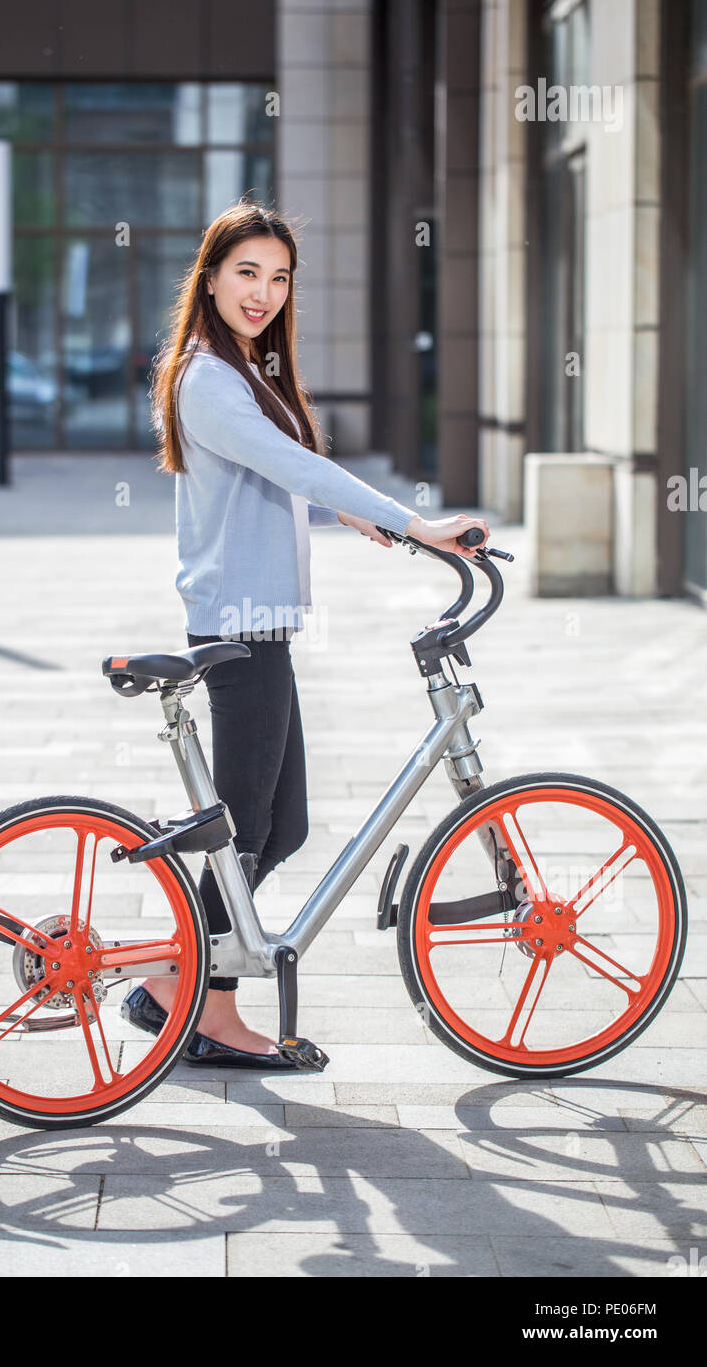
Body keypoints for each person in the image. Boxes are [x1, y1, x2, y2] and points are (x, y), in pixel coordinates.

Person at [121, 199, 490, 1068]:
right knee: (248, 828)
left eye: (279, 277)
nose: (263, 291)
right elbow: (288, 462)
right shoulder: (209, 374)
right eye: (246, 272)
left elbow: (272, 481)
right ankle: (192, 999)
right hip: (237, 632)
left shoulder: (244, 368)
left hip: (260, 624)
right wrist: (414, 519)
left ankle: (177, 988)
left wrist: (360, 520)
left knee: (275, 827)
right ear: (210, 277)